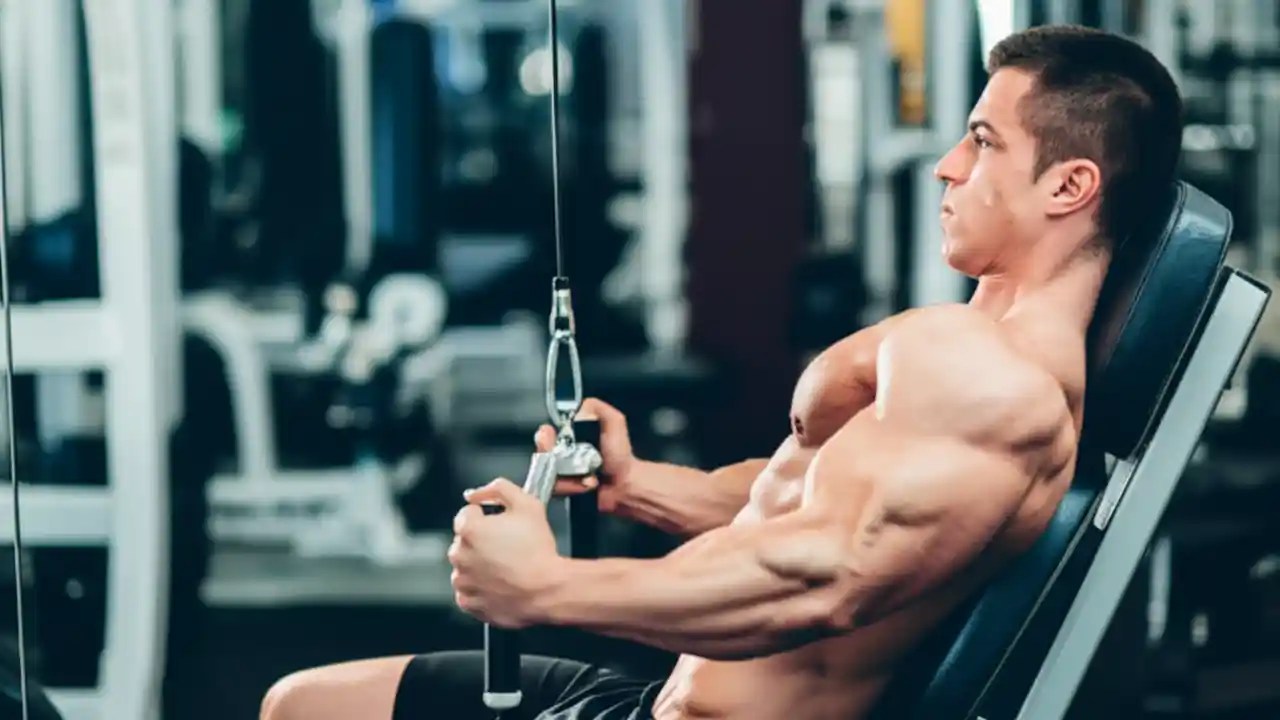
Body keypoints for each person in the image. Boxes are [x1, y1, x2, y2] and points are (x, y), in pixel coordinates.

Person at [259, 24, 1184, 720]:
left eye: (983, 142)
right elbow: (819, 499)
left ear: (1068, 187)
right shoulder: (971, 354)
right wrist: (642, 489)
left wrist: (551, 591)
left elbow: (826, 576)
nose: (948, 166)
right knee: (303, 704)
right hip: (657, 697)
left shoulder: (996, 383)